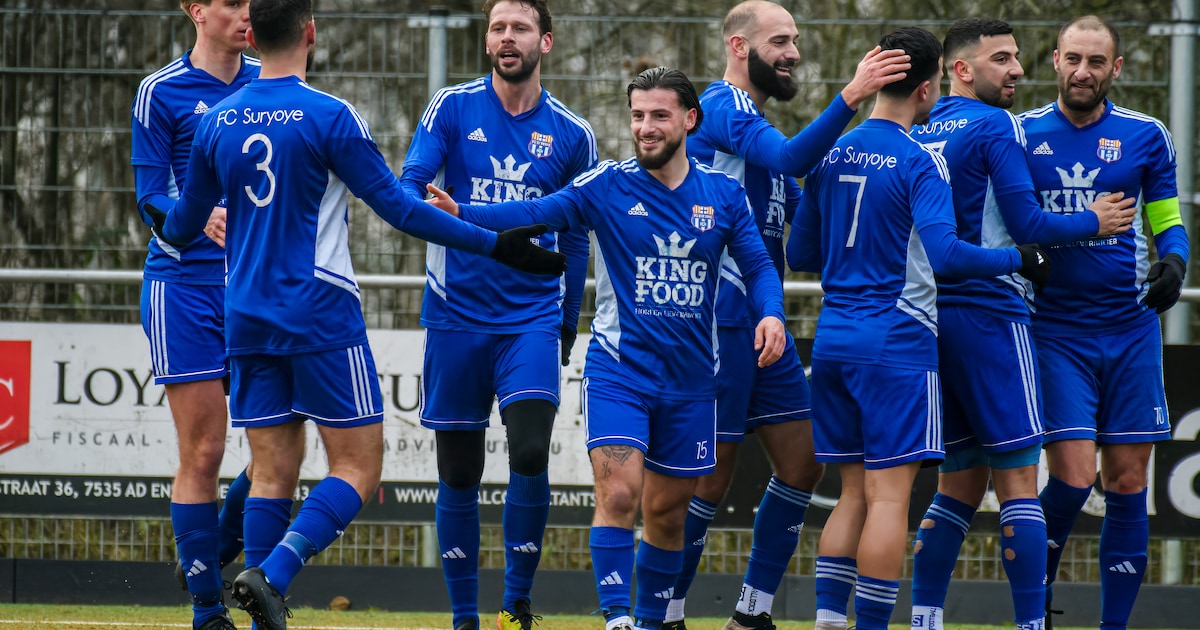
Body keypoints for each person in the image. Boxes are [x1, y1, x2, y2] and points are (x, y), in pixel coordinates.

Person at [144, 0, 567, 628]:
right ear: (311, 32)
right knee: (359, 468)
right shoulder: (331, 116)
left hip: (245, 312)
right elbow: (401, 208)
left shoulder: (215, 122)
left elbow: (179, 225)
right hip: (319, 312)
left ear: (254, 37)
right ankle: (274, 572)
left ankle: (257, 612)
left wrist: (166, 214)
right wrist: (494, 243)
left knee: (272, 471)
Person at [428, 66, 789, 630]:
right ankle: (617, 619)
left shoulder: (724, 194)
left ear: (690, 120)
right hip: (620, 372)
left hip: (692, 382)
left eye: (660, 115)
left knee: (666, 513)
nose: (646, 127)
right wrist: (464, 213)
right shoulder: (606, 184)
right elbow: (535, 212)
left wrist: (771, 312)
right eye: (638, 115)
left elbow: (760, 265)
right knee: (618, 494)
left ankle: (647, 621)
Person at [785, 27, 1051, 630]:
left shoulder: (831, 152)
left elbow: (800, 254)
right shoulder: (919, 159)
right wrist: (1018, 257)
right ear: (928, 88)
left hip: (833, 340)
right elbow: (947, 255)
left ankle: (828, 621)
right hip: (897, 341)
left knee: (852, 494)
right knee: (888, 500)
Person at [666, 2, 910, 628]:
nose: (793, 53)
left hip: (763, 325)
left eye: (795, 40)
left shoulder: (761, 133)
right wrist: (853, 96)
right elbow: (795, 157)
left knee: (802, 464)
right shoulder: (721, 106)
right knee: (709, 480)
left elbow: (802, 241)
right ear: (739, 47)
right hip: (718, 320)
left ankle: (751, 614)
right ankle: (664, 612)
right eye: (780, 41)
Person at [905, 18, 1136, 630]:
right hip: (993, 315)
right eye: (1002, 59)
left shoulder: (918, 126)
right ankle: (1032, 624)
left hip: (928, 319)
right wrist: (1093, 222)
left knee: (956, 487)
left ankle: (924, 620)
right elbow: (1029, 226)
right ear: (961, 69)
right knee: (1017, 485)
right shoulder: (996, 124)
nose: (1017, 70)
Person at [397, 1, 597, 627]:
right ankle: (465, 618)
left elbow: (577, 236)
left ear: (546, 42)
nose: (508, 38)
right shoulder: (451, 108)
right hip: (455, 314)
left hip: (531, 318)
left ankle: (515, 605)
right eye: (498, 28)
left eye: (520, 28)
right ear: (487, 41)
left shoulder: (573, 134)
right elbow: (408, 189)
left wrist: (567, 319)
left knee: (531, 451)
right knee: (459, 470)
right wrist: (435, 207)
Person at [1018, 16, 1188, 629]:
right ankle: (1033, 609)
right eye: (1073, 59)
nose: (1083, 72)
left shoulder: (1147, 136)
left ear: (1115, 68)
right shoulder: (1021, 133)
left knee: (1128, 480)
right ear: (1056, 61)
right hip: (1055, 332)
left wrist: (1175, 261)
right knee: (1071, 479)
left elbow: (1167, 218)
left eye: (1096, 61)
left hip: (1131, 330)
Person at [131, 2, 256, 627]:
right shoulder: (161, 91)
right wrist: (195, 213)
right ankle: (208, 611)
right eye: (231, 2)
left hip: (257, 285)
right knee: (204, 451)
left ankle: (221, 539)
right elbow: (150, 195)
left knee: (281, 443)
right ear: (196, 10)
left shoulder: (272, 82)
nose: (246, 12)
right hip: (184, 286)